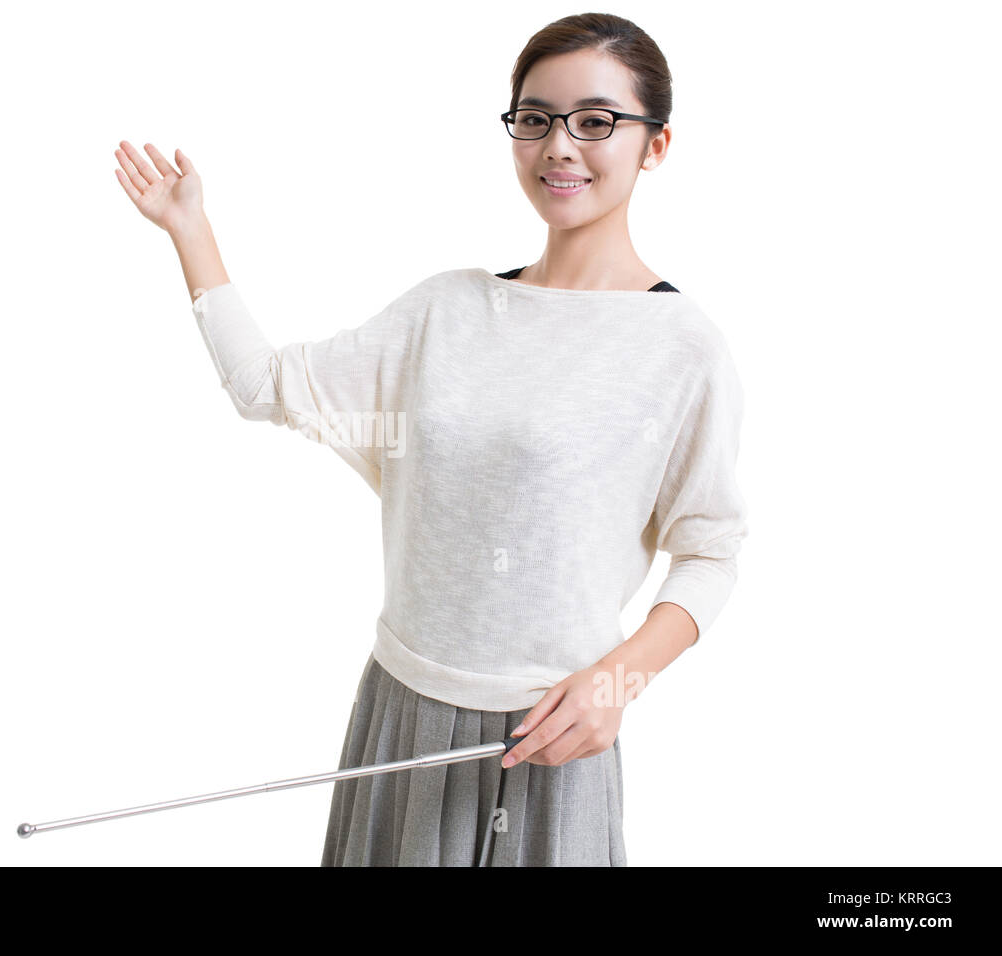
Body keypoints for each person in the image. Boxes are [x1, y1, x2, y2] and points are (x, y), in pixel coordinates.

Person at [113, 12, 749, 866]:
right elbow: (265, 388)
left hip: (550, 739)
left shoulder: (684, 347)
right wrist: (190, 229)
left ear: (656, 144)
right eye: (535, 118)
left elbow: (709, 549)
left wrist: (621, 680)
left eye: (596, 121)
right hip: (400, 713)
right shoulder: (446, 310)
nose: (561, 146)